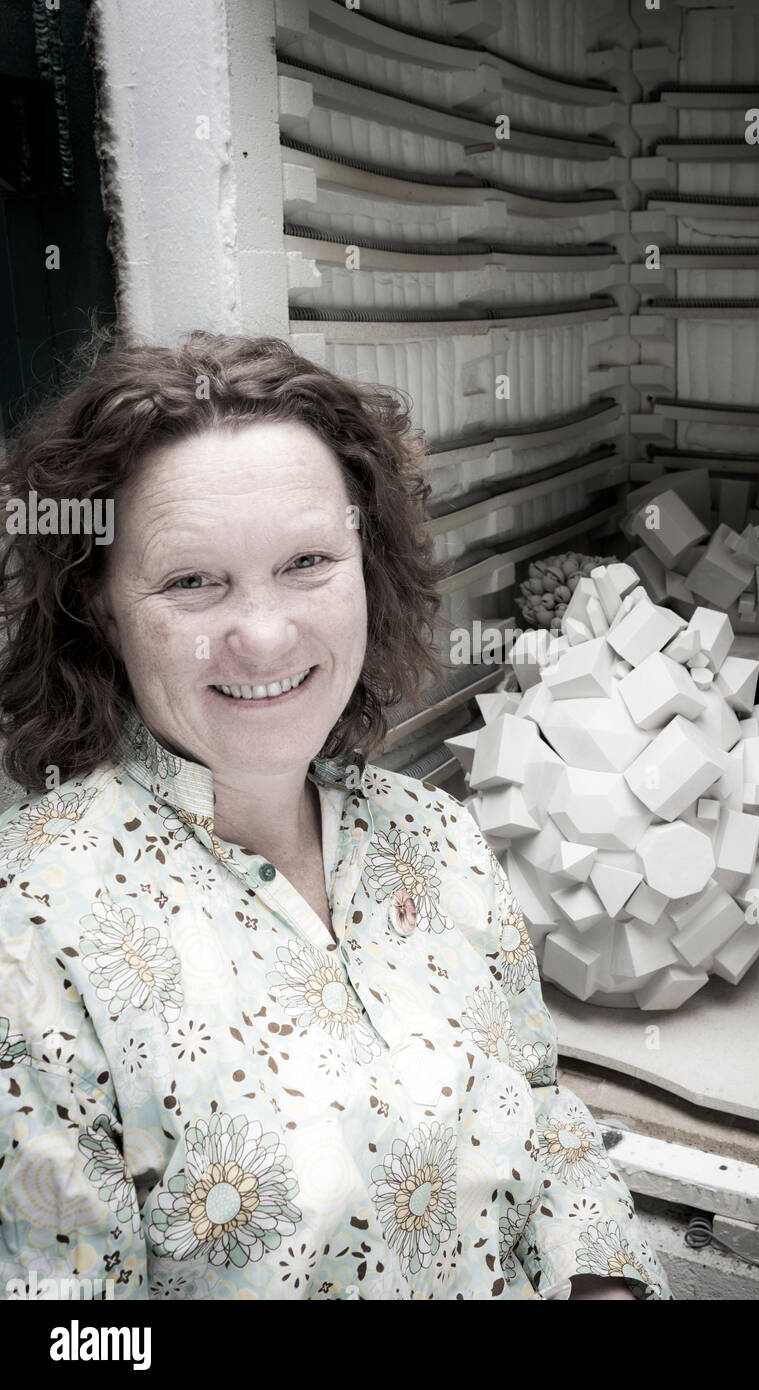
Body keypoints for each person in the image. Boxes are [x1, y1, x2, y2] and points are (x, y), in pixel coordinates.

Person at [0, 332, 672, 1301]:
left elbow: (544, 1118)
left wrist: (604, 1285)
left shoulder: (434, 838)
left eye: (307, 560)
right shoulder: (32, 924)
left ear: (369, 567)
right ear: (100, 607)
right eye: (192, 581)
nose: (264, 634)